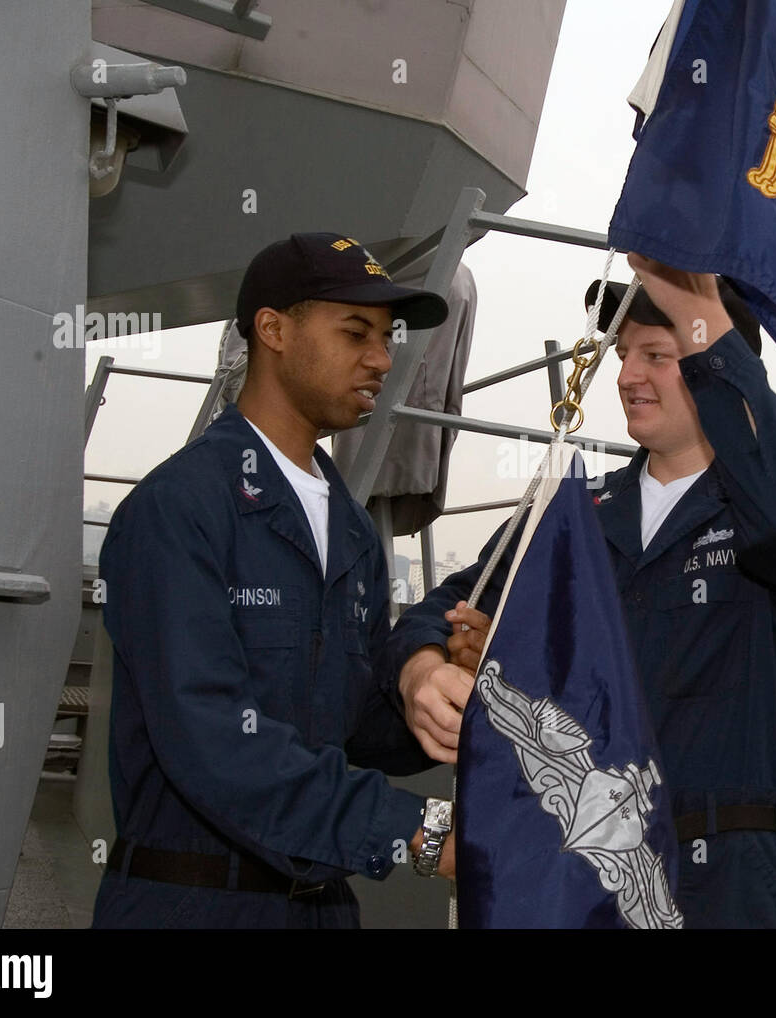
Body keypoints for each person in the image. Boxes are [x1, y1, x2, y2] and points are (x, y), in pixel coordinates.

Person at [387, 254, 776, 928]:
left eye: (657, 355)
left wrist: (708, 323)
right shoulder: (573, 514)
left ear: (710, 367)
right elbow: (447, 605)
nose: (628, 375)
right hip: (575, 876)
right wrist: (423, 668)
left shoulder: (774, 514)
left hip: (720, 884)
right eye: (625, 354)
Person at [93, 232, 457, 929]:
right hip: (191, 906)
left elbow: (348, 729)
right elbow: (215, 741)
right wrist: (426, 832)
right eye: (356, 332)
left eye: (386, 337)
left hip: (321, 909)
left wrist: (431, 699)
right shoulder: (181, 509)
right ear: (273, 330)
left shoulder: (351, 531)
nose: (382, 359)